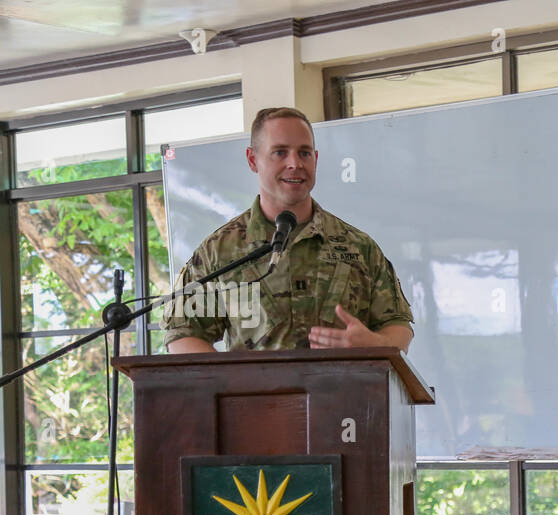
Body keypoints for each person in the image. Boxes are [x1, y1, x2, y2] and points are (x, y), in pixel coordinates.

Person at [162, 106, 414, 353]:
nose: (294, 163)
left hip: (345, 392)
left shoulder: (358, 246)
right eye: (280, 152)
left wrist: (372, 344)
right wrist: (230, 385)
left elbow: (399, 326)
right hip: (254, 394)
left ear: (315, 160)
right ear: (253, 159)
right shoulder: (219, 251)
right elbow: (182, 335)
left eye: (304, 153)